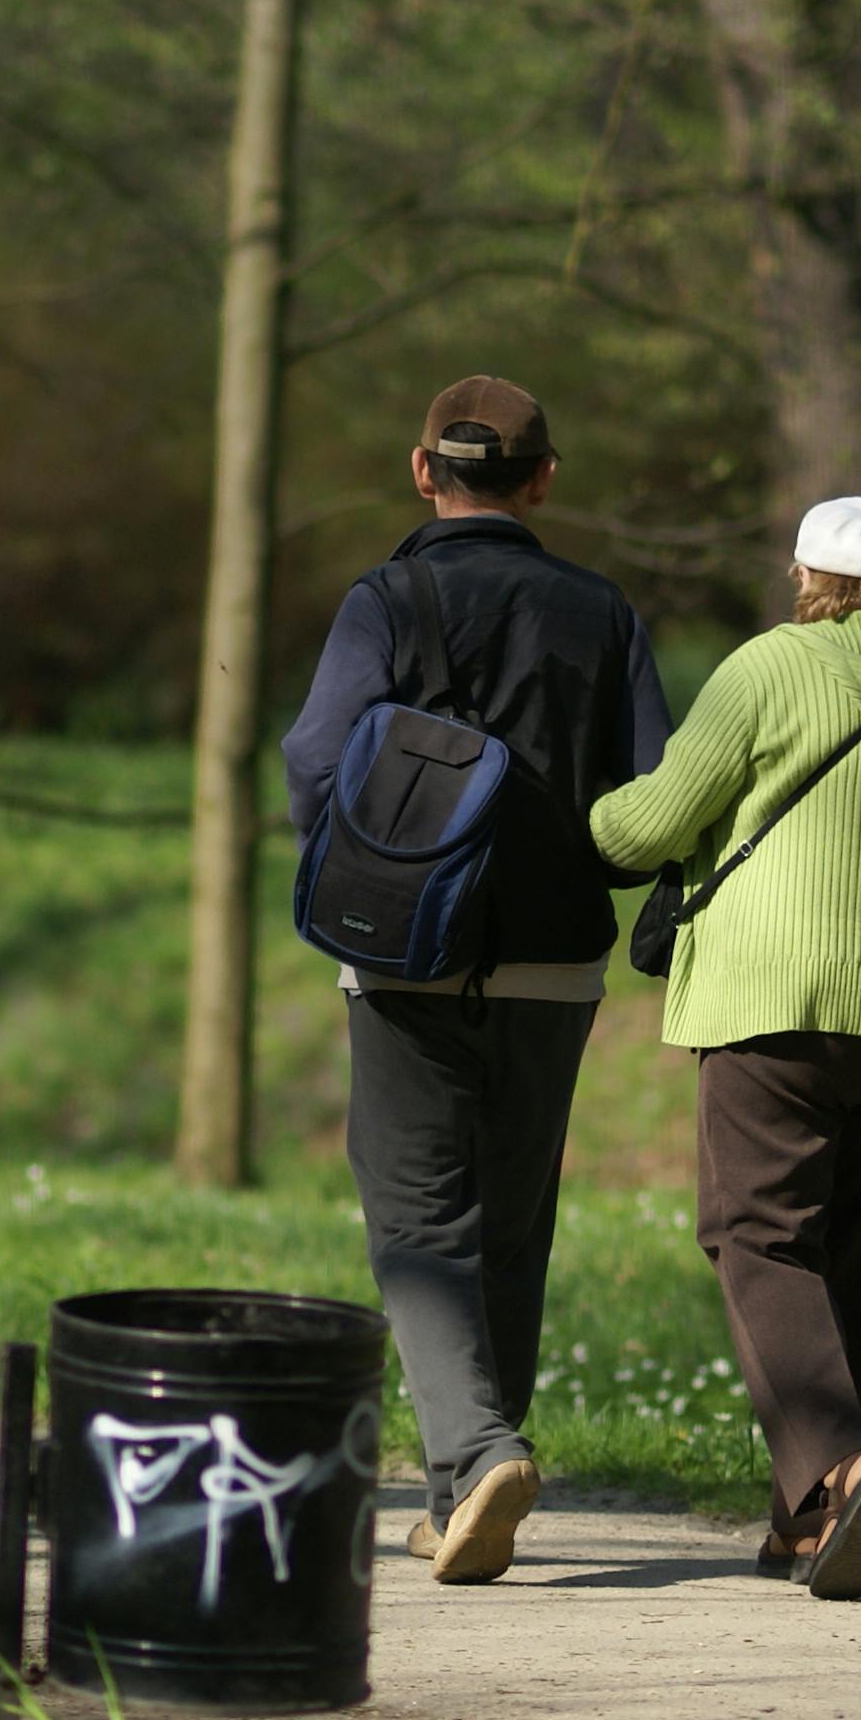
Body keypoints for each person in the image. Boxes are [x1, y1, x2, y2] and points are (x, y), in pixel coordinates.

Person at [586, 499, 861, 1602]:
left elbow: (648, 827)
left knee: (756, 1234)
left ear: (806, 578)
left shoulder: (766, 669)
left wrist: (575, 816)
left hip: (778, 996)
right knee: (859, 1261)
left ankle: (845, 1457)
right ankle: (808, 1521)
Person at [279, 376, 672, 1586]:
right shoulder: (599, 611)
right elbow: (649, 790)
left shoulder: (386, 597)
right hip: (554, 963)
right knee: (510, 1221)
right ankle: (461, 1492)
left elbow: (309, 757)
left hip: (405, 954)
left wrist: (353, 868)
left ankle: (479, 1444)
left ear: (420, 471)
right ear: (542, 478)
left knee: (411, 1216)